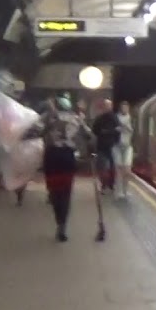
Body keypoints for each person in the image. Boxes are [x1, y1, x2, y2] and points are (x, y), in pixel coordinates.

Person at [23, 96, 94, 242]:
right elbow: (89, 135)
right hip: (68, 158)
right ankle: (63, 225)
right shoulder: (76, 118)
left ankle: (58, 220)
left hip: (52, 158)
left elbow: (33, 132)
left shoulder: (48, 117)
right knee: (66, 192)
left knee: (54, 191)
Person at [91, 99, 120, 193]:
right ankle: (104, 184)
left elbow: (118, 130)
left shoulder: (114, 118)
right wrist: (110, 132)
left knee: (111, 166)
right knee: (103, 167)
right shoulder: (100, 118)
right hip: (102, 146)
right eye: (106, 105)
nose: (108, 107)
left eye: (109, 105)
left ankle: (110, 184)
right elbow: (95, 130)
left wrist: (106, 132)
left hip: (111, 145)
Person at [111, 101, 134, 199]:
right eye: (123, 107)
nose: (125, 109)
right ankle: (119, 191)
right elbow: (111, 130)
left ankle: (126, 190)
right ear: (120, 108)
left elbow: (134, 131)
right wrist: (116, 129)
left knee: (127, 170)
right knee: (119, 170)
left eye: (126, 107)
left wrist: (127, 127)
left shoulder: (132, 118)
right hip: (117, 146)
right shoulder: (115, 118)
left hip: (128, 146)